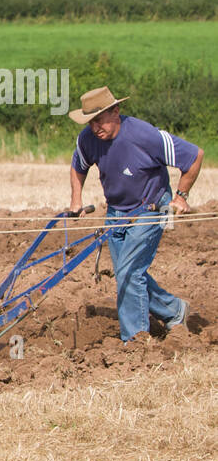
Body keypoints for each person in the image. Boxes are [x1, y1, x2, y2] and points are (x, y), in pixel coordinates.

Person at [68, 87, 203, 342]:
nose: (95, 127)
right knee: (127, 274)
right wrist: (76, 199)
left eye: (99, 119)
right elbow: (78, 166)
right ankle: (175, 310)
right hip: (116, 211)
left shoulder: (145, 135)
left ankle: (134, 342)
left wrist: (181, 196)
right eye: (90, 121)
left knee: (129, 272)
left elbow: (195, 155)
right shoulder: (87, 139)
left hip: (151, 208)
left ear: (116, 111)